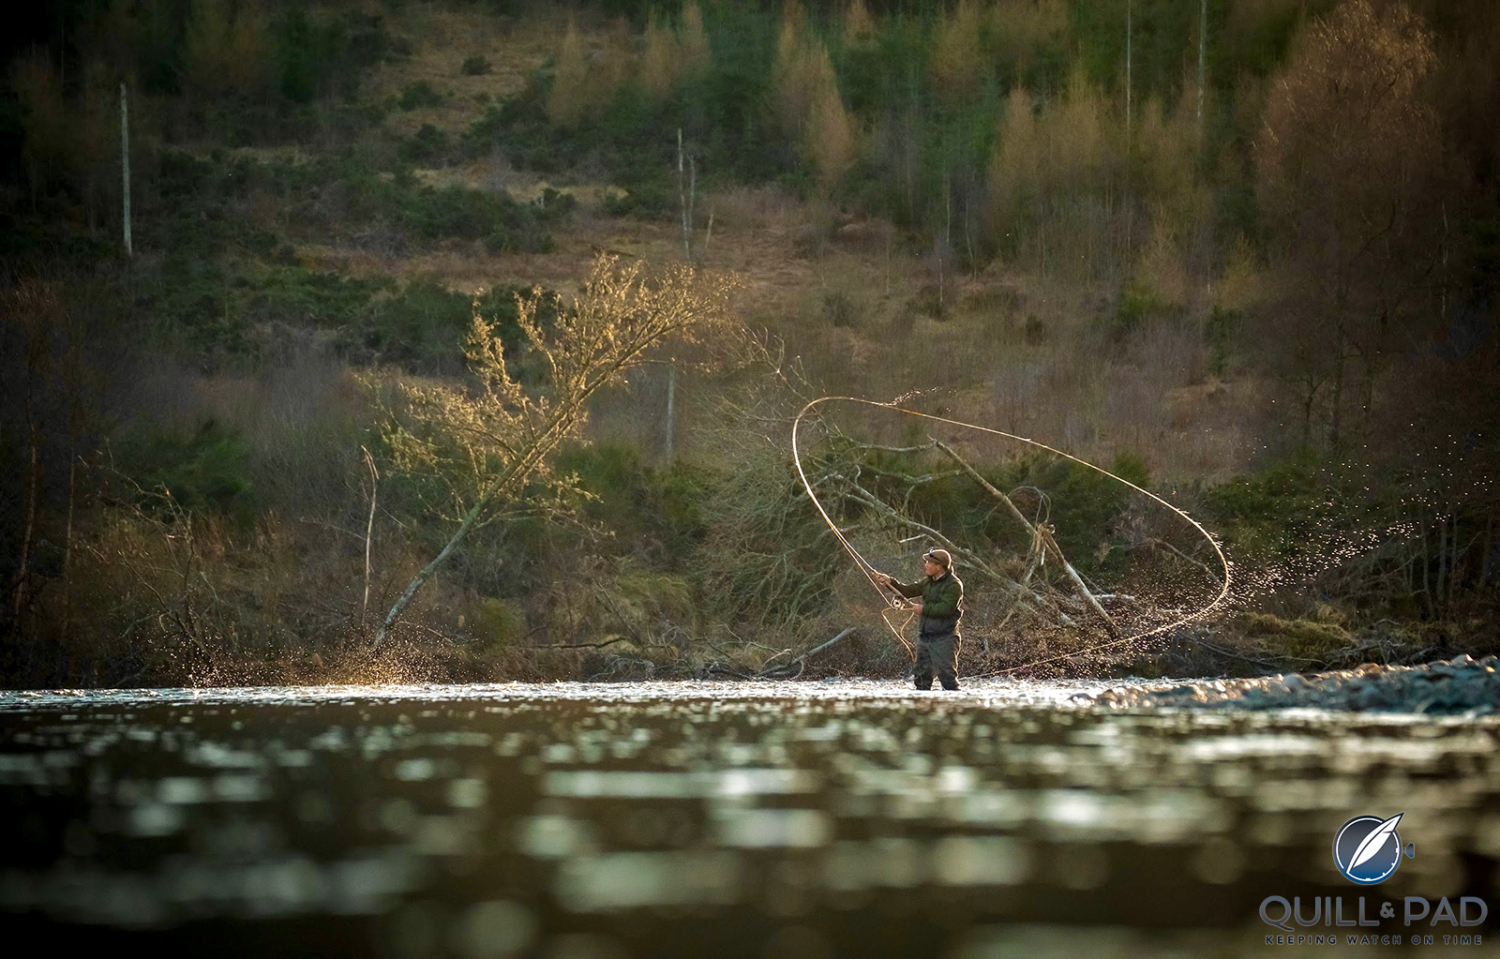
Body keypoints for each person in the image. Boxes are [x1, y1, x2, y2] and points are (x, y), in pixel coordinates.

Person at [875, 548, 963, 691]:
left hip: (945, 637)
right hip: (925, 637)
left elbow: (946, 609)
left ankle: (954, 711)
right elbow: (907, 591)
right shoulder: (927, 582)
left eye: (929, 562)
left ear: (939, 566)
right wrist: (889, 581)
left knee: (948, 680)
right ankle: (924, 711)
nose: (925, 565)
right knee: (921, 681)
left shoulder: (954, 585)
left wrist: (924, 609)